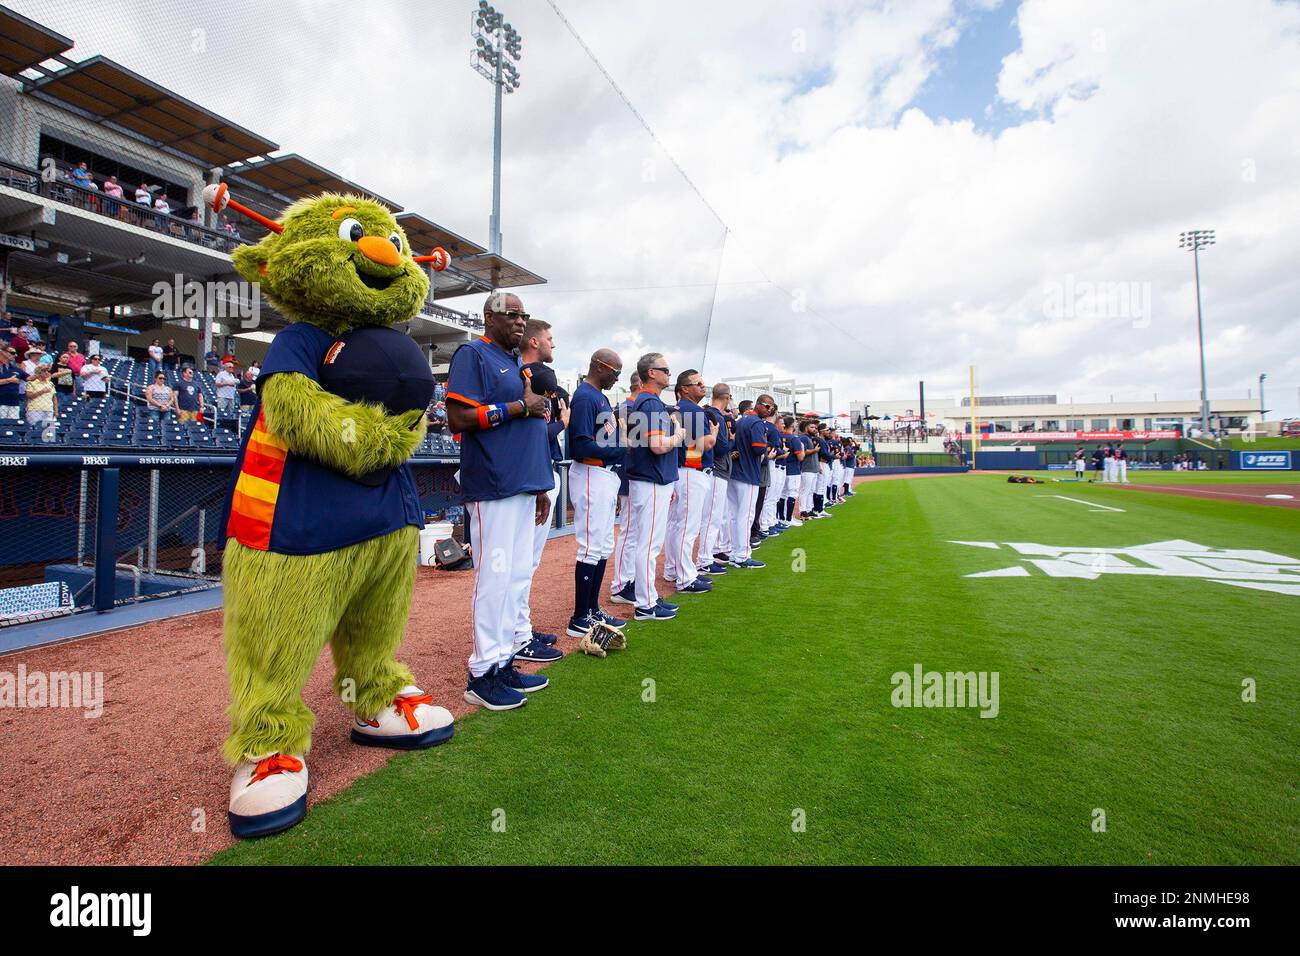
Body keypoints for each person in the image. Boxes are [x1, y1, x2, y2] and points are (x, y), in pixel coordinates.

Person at [444, 290, 552, 711]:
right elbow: (458, 418)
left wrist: (540, 484)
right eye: (512, 314)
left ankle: (504, 660)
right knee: (494, 578)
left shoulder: (513, 363)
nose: (521, 321)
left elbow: (527, 428)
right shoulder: (474, 354)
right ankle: (482, 672)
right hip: (493, 485)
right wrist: (516, 407)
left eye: (525, 315)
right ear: (489, 316)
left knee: (514, 577)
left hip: (522, 485)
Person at [564, 348, 628, 644]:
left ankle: (592, 609)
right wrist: (622, 449)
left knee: (602, 545)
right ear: (599, 367)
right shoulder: (586, 396)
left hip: (602, 475)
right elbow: (581, 447)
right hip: (590, 472)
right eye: (615, 372)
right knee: (590, 546)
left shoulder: (598, 396)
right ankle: (579, 617)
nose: (617, 378)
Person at [513, 318, 566, 664]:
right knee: (519, 563)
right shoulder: (526, 377)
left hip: (538, 476)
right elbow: (531, 435)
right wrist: (564, 422)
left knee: (526, 562)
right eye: (549, 338)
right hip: (527, 477)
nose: (552, 344)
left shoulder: (536, 378)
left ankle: (521, 628)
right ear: (534, 341)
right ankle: (517, 636)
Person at [624, 352, 685, 620]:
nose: (669, 374)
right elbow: (658, 446)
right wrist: (679, 435)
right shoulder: (649, 403)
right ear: (651, 373)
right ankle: (644, 604)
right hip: (650, 479)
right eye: (666, 370)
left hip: (652, 479)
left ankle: (648, 597)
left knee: (647, 543)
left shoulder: (650, 402)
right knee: (648, 545)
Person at [663, 368, 719, 595]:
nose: (702, 387)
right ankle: (686, 577)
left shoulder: (675, 409)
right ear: (684, 389)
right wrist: (714, 433)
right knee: (687, 527)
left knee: (677, 525)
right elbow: (703, 445)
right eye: (698, 384)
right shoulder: (692, 409)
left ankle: (673, 570)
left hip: (681, 469)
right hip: (691, 470)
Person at [727, 395, 773, 569]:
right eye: (768, 407)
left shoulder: (741, 420)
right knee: (745, 516)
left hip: (735, 471)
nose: (769, 411)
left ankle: (734, 552)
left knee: (734, 516)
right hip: (748, 473)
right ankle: (742, 556)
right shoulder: (756, 422)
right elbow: (758, 448)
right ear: (759, 405)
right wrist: (766, 442)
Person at [609, 372, 641, 604]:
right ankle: (621, 585)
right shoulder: (625, 408)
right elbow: (619, 442)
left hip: (634, 472)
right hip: (628, 472)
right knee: (629, 531)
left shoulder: (630, 408)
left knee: (635, 532)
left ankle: (627, 579)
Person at [696, 382, 733, 576]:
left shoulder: (709, 412)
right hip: (716, 469)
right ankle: (704, 559)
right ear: (726, 397)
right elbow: (720, 448)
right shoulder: (716, 415)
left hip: (713, 470)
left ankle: (706, 557)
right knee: (711, 518)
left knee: (712, 517)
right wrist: (732, 439)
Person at [781, 415, 806, 526]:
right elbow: (800, 457)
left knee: (782, 494)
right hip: (793, 470)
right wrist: (803, 449)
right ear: (792, 426)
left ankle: (782, 518)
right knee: (792, 493)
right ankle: (788, 518)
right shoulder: (794, 439)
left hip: (782, 469)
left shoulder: (779, 435)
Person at [0, 345, 24, 419]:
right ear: (3, 352)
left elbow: (29, 378)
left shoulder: (15, 368)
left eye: (15, 353)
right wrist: (10, 380)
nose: (15, 355)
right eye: (12, 353)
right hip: (1, 401)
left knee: (13, 425)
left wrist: (40, 372)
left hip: (14, 402)